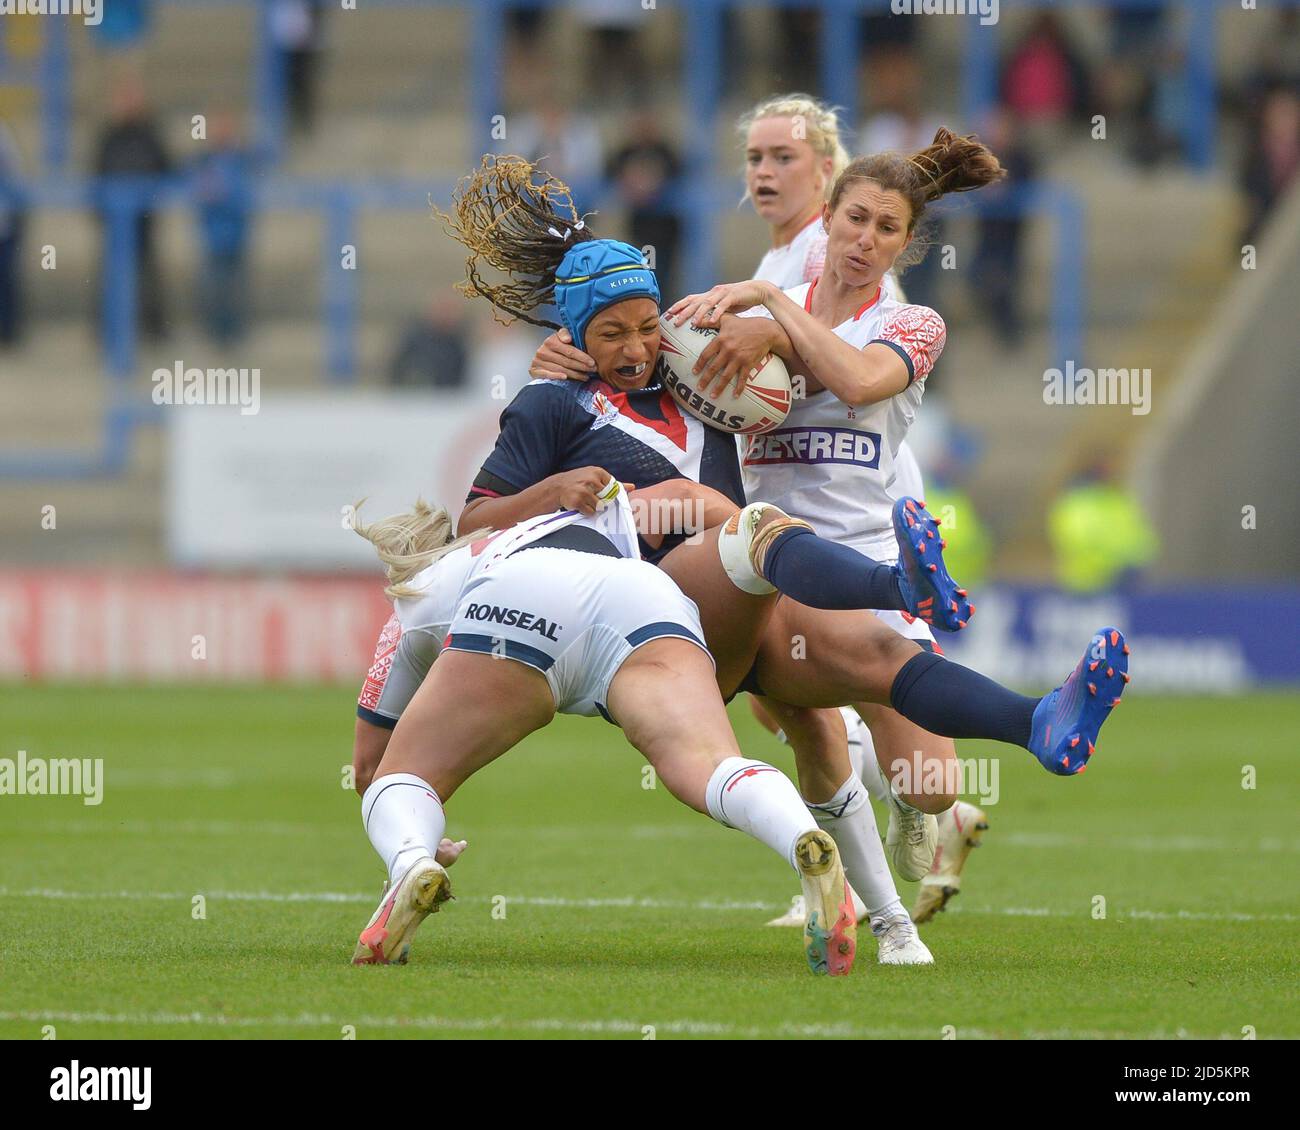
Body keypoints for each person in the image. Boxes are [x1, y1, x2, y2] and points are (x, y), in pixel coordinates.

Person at [356, 153, 1132, 956]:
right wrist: (570, 376)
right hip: (704, 589)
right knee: (751, 543)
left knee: (896, 744)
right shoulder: (641, 361)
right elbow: (487, 506)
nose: (866, 237)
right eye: (855, 217)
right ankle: (902, 587)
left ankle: (1016, 749)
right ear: (826, 217)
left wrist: (767, 316)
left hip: (793, 574)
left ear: (904, 243)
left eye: (887, 226)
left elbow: (859, 378)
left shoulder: (903, 323)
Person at [348, 483, 857, 976]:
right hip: (643, 592)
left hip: (515, 599)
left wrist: (416, 835)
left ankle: (410, 867)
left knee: (405, 775)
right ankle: (801, 837)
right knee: (709, 766)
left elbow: (371, 768)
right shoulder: (535, 526)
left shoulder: (415, 595)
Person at [191, 110, 254, 346]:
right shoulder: (204, 161)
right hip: (213, 237)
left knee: (234, 288)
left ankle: (232, 337)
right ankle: (216, 337)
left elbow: (241, 197)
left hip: (235, 235)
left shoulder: (241, 161)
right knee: (213, 289)